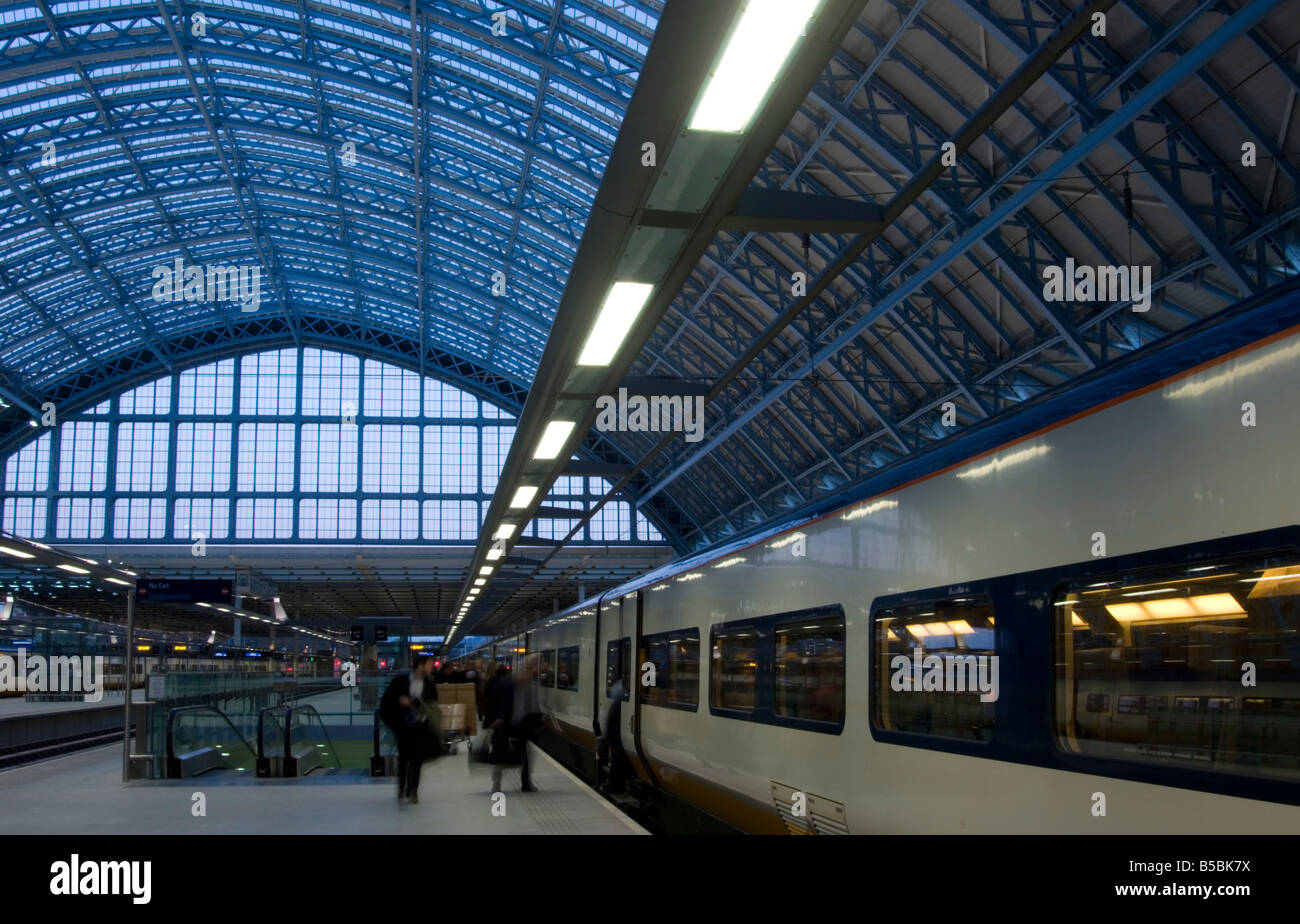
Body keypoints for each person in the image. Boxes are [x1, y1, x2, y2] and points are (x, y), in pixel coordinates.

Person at [379, 654, 438, 804]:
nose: (432, 666)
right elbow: (387, 701)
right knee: (404, 758)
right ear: (420, 665)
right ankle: (401, 787)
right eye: (429, 663)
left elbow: (434, 705)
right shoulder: (400, 681)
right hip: (403, 726)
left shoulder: (430, 684)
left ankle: (413, 790)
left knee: (417, 759)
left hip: (420, 726)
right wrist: (400, 701)